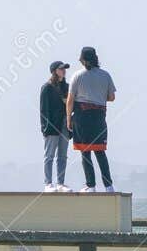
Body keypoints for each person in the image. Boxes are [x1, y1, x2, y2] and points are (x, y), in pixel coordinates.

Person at [66, 46, 116, 193]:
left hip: (82, 116)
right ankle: (109, 186)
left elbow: (70, 99)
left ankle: (91, 185)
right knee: (100, 151)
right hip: (99, 116)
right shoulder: (105, 75)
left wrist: (69, 118)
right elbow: (112, 97)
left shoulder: (77, 76)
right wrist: (99, 96)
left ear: (83, 60)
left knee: (85, 151)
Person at [39, 61, 70, 191]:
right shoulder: (47, 87)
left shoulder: (68, 87)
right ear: (54, 71)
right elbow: (43, 110)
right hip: (52, 126)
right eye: (61, 68)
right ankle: (48, 183)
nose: (64, 70)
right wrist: (46, 128)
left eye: (64, 68)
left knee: (63, 156)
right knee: (49, 155)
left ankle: (60, 183)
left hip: (65, 124)